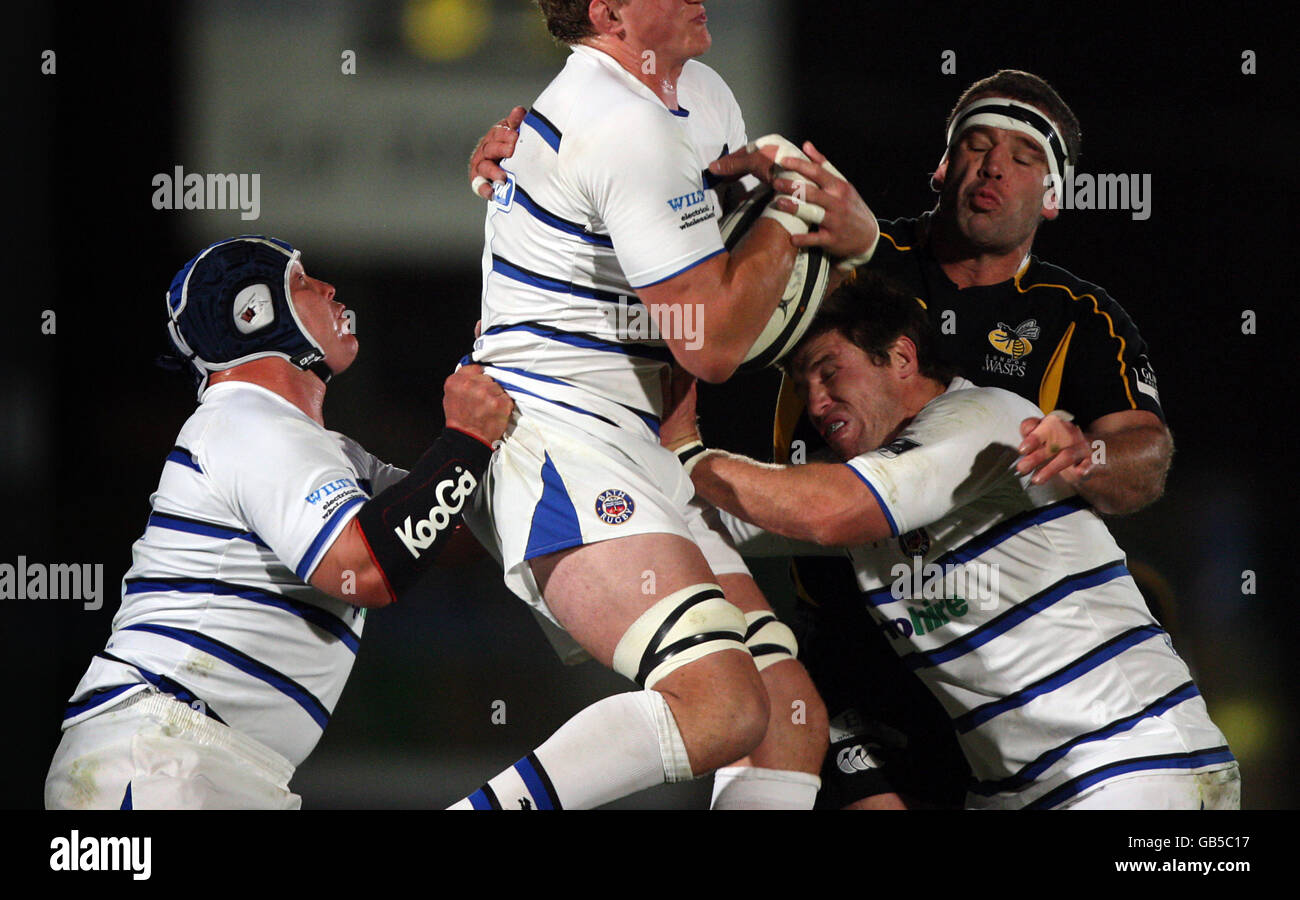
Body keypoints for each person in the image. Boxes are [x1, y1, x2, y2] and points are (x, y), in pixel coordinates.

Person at [470, 69, 1177, 809]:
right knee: (762, 720)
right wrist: (527, 173)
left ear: (1055, 195)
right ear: (942, 167)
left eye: (1025, 156)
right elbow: (666, 194)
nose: (993, 164)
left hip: (998, 675)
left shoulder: (1079, 319)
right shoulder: (836, 251)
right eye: (974, 144)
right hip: (847, 650)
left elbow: (1144, 460)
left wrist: (1089, 456)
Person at [451, 0, 880, 811]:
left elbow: (727, 240)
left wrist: (833, 223)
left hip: (634, 438)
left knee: (786, 715)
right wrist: (795, 213)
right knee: (721, 705)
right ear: (609, 15)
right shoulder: (620, 124)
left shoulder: (695, 97)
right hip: (558, 439)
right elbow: (714, 340)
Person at [661, 272, 1238, 810]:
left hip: (1135, 765)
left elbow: (834, 510)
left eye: (829, 371)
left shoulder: (982, 420)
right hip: (1029, 792)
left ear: (903, 357)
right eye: (801, 382)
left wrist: (692, 451)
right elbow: (714, 518)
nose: (814, 403)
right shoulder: (869, 488)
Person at [44, 235, 513, 809]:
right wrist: (466, 437)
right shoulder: (245, 419)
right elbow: (365, 568)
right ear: (252, 314)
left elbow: (445, 523)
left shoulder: (295, 438)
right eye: (302, 281)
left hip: (194, 760)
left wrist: (493, 384)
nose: (329, 289)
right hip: (165, 758)